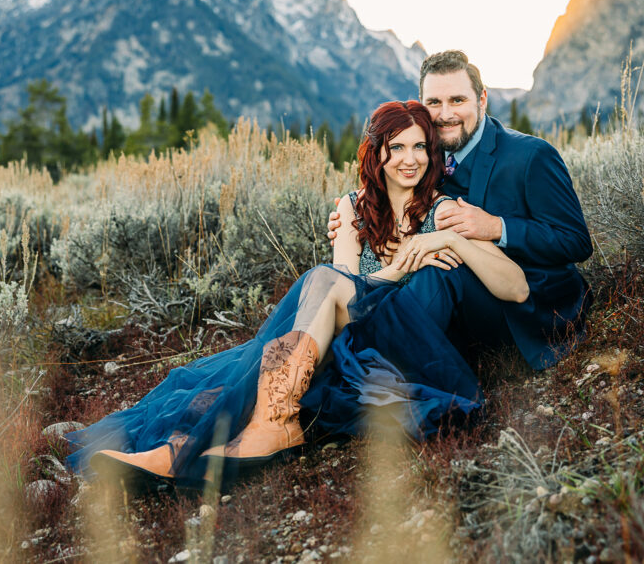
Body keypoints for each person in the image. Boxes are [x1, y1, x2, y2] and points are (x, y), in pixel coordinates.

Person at [65, 100, 529, 493]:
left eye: (421, 147)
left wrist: (450, 241)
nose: (412, 159)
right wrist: (394, 268)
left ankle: (232, 438)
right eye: (398, 147)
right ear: (377, 154)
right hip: (353, 338)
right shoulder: (352, 208)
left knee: (311, 297)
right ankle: (201, 442)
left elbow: (517, 287)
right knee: (260, 348)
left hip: (409, 344)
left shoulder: (443, 210)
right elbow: (345, 285)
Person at [328, 51, 593, 369]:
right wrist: (363, 211)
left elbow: (576, 241)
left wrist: (497, 227)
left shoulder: (532, 156)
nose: (445, 114)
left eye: (457, 100)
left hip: (529, 306)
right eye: (434, 103)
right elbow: (398, 185)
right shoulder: (426, 155)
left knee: (436, 273)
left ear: (482, 99)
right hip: (455, 303)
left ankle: (373, 365)